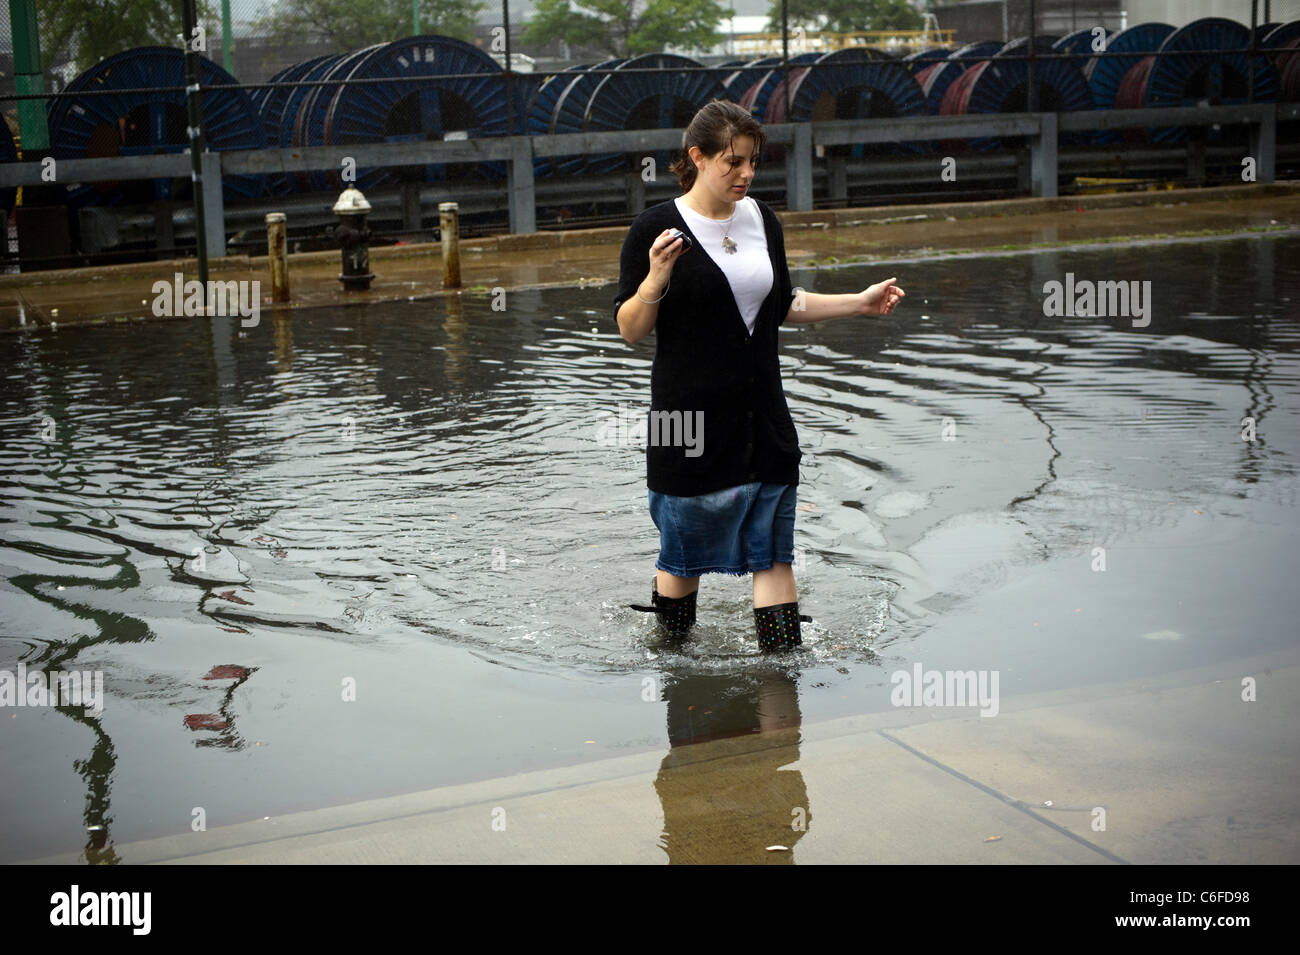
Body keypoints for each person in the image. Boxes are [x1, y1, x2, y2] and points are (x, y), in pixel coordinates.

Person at [613, 99, 904, 652]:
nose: (746, 173)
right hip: (686, 424)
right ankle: (674, 667)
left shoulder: (762, 220)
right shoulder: (656, 228)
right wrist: (654, 278)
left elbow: (781, 304)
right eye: (733, 162)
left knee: (773, 552)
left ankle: (782, 684)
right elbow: (631, 328)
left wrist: (859, 304)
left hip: (762, 417)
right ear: (697, 157)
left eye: (753, 162)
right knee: (683, 553)